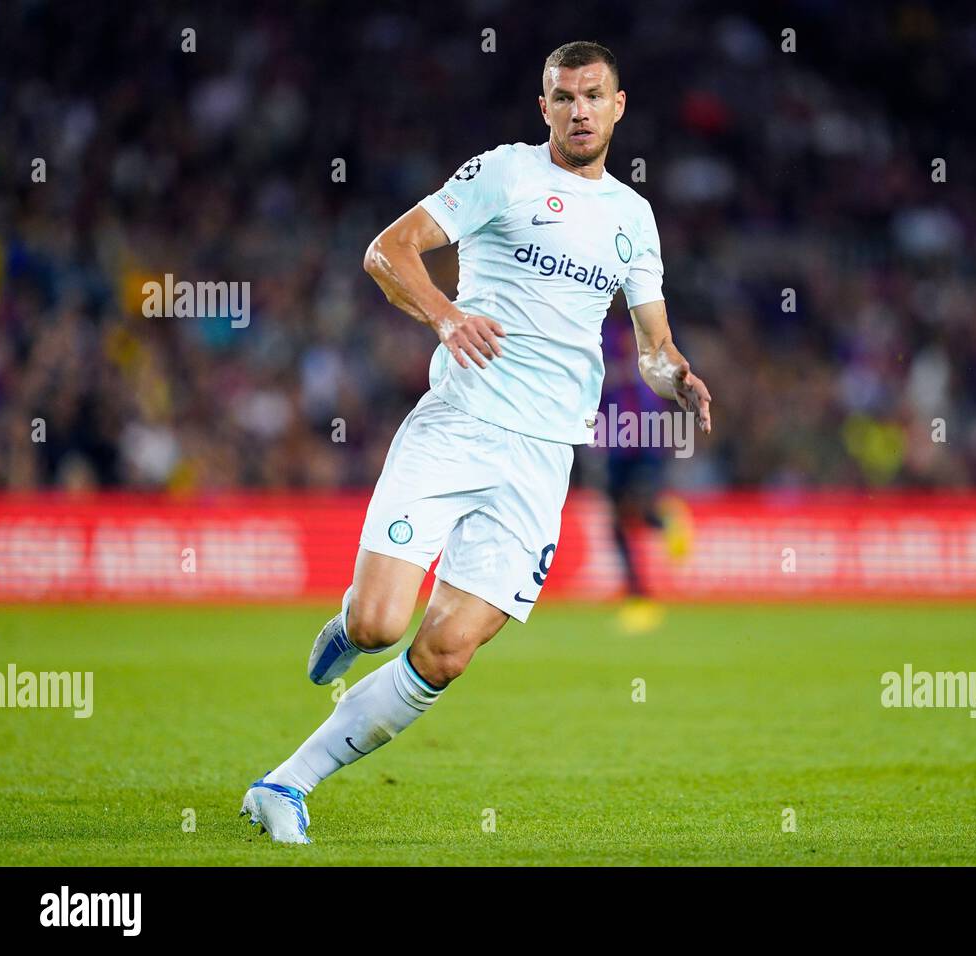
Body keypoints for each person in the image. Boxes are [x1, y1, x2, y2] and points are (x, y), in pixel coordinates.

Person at [241, 40, 712, 843]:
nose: (579, 110)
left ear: (619, 105)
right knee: (385, 625)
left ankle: (285, 784)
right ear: (544, 109)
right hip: (460, 425)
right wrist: (447, 316)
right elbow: (387, 251)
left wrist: (676, 376)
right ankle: (352, 624)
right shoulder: (504, 173)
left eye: (593, 95)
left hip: (543, 457)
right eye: (563, 97)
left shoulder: (633, 218)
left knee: (448, 651)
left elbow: (652, 346)